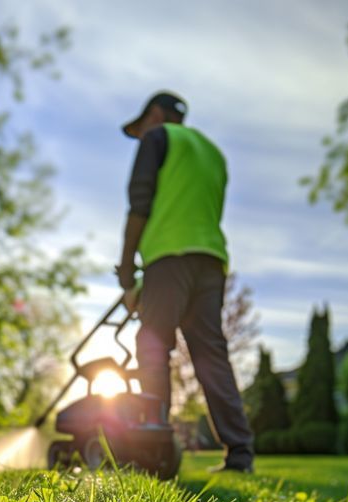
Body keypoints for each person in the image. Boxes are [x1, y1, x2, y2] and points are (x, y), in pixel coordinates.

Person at [116, 91, 255, 473]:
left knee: (153, 341)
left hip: (168, 256)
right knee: (211, 353)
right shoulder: (213, 153)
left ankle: (152, 446)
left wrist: (127, 271)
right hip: (211, 260)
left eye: (141, 125)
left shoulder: (157, 138)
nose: (141, 133)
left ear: (156, 115)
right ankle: (240, 455)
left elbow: (140, 200)